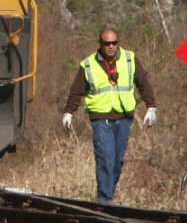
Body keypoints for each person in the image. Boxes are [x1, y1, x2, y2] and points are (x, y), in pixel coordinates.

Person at [61, 25, 157, 204]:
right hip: (101, 118)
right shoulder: (88, 64)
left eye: (114, 43)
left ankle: (107, 194)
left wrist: (151, 107)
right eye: (107, 43)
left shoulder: (130, 59)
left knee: (117, 161)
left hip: (124, 117)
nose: (111, 46)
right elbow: (76, 91)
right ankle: (104, 200)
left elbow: (143, 83)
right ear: (100, 44)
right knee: (106, 158)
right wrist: (68, 112)